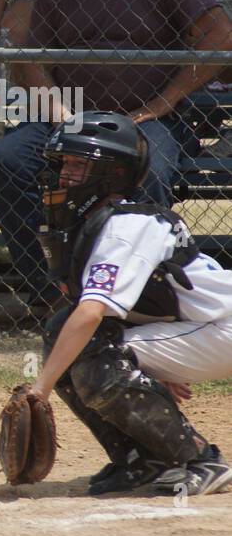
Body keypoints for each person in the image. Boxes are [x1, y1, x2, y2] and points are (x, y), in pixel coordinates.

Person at [0, 0, 232, 314]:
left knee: (152, 173)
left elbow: (220, 35)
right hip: (73, 121)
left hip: (144, 120)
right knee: (7, 160)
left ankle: (136, 300)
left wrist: (164, 100)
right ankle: (51, 294)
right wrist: (60, 112)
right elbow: (26, 59)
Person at [31, 111, 232, 497]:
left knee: (92, 351)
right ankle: (143, 459)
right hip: (201, 328)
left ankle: (199, 460)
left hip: (222, 327)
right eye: (63, 164)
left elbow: (91, 314)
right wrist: (156, 363)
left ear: (115, 172)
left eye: (78, 164)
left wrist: (40, 389)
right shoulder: (90, 223)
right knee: (62, 331)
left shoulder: (128, 226)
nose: (64, 175)